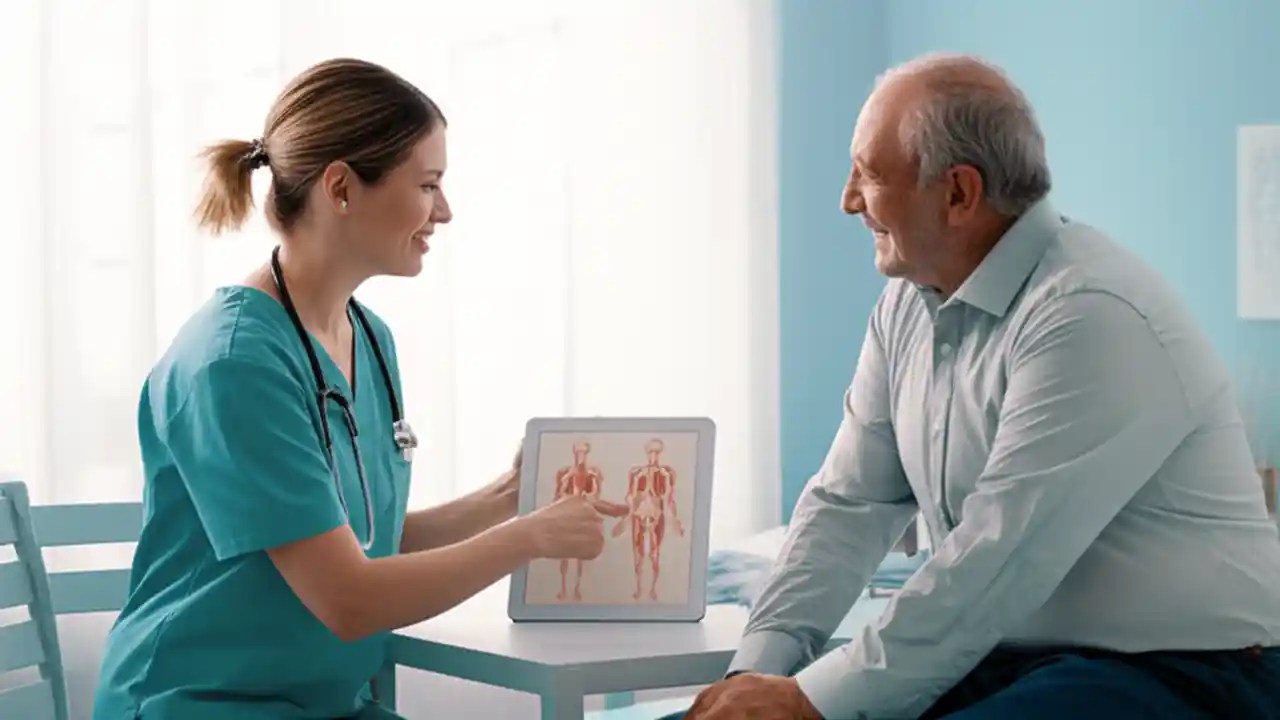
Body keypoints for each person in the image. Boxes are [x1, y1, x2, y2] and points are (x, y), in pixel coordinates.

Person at [680, 53, 1280, 719]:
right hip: (1009, 655)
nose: (848, 199)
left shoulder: (1089, 312)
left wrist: (807, 703)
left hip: (1187, 667)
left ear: (959, 194)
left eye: (869, 175)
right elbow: (847, 506)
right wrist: (754, 676)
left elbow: (995, 560)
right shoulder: (907, 305)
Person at [91, 58, 613, 720]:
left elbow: (368, 539)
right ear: (340, 188)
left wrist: (512, 496)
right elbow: (349, 597)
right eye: (428, 185)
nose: (444, 212)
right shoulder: (233, 364)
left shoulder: (369, 338)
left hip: (320, 705)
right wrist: (528, 538)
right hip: (201, 702)